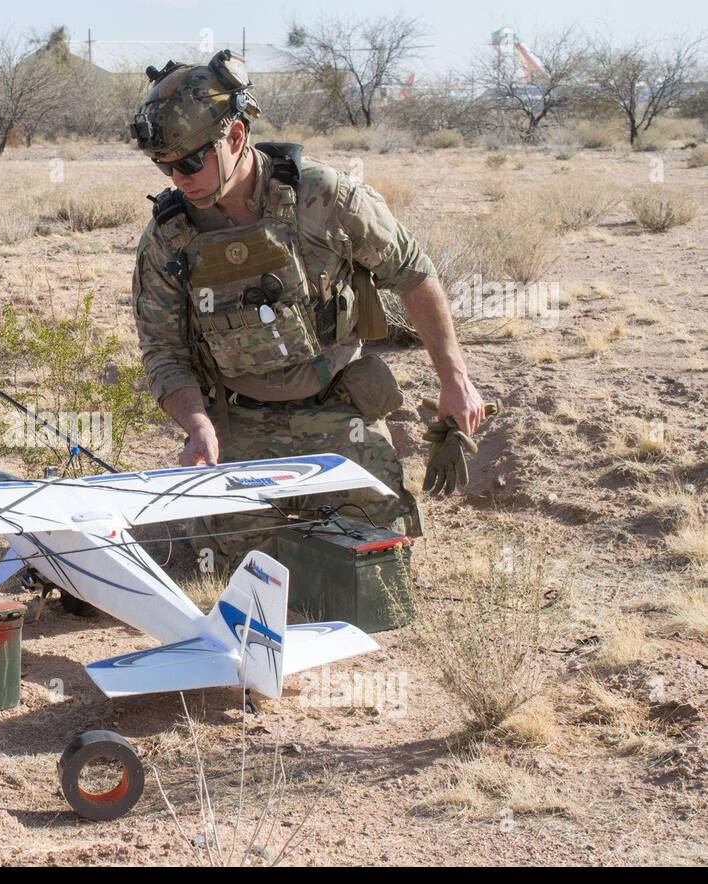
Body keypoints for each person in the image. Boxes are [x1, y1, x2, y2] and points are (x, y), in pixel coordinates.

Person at [129, 51, 487, 561]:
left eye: (189, 162)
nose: (178, 179)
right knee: (246, 573)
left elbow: (413, 274)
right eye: (164, 166)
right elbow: (162, 349)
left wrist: (455, 380)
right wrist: (198, 427)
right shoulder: (170, 236)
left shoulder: (325, 196)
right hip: (240, 421)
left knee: (375, 564)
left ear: (234, 138)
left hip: (338, 409)